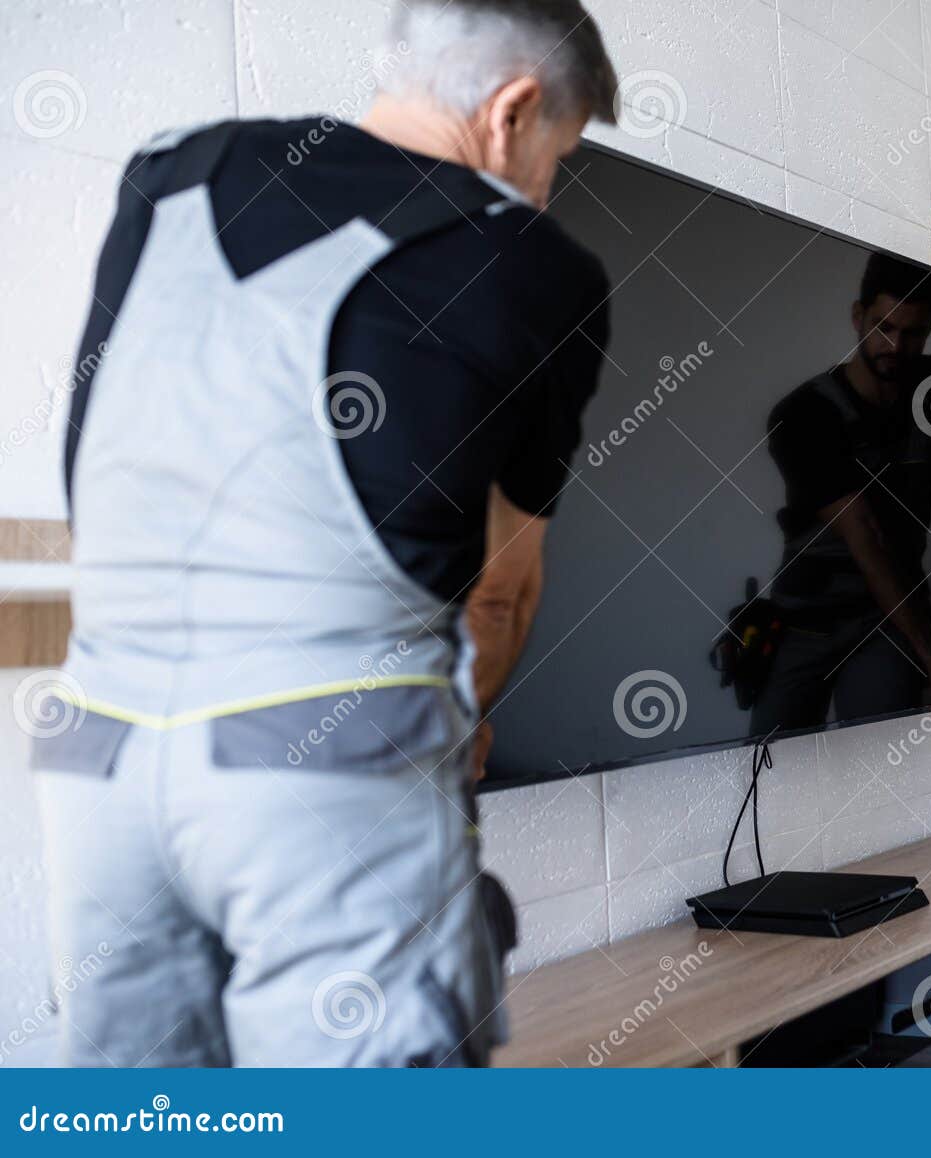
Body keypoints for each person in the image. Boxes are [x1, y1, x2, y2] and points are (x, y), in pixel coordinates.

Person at [33, 0, 616, 1066]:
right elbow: (498, 593)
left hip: (95, 752)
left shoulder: (168, 171)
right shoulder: (538, 267)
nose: (546, 189)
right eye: (557, 157)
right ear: (512, 110)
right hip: (322, 768)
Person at [751, 254, 931, 734]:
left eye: (913, 332)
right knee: (770, 762)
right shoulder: (805, 414)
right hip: (805, 620)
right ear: (858, 316)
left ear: (930, 327)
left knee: (885, 757)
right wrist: (929, 650)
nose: (895, 344)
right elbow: (865, 536)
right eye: (883, 326)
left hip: (889, 622)